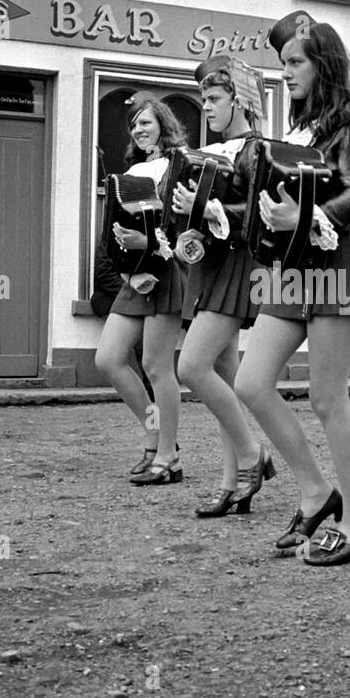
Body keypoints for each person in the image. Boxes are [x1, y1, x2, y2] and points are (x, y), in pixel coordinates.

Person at [234, 11, 350, 566]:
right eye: (283, 64)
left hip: (340, 253)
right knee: (252, 382)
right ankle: (316, 490)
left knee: (326, 397)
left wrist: (308, 217)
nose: (287, 73)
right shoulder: (298, 125)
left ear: (324, 62)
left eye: (295, 62)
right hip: (293, 261)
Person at [171, 55, 277, 517]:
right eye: (204, 100)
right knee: (226, 379)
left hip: (237, 266)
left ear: (239, 100)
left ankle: (254, 456)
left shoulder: (254, 149)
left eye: (214, 99)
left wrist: (208, 208)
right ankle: (232, 482)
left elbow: (255, 212)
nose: (207, 108)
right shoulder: (218, 150)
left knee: (191, 368)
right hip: (211, 266)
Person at [94, 94, 188, 485]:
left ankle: (168, 456)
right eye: (134, 125)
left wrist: (149, 242)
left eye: (146, 122)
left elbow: (181, 222)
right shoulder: (135, 170)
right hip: (135, 276)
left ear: (162, 124)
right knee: (109, 358)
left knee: (156, 366)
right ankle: (153, 433)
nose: (139, 130)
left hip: (167, 271)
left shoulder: (179, 166)